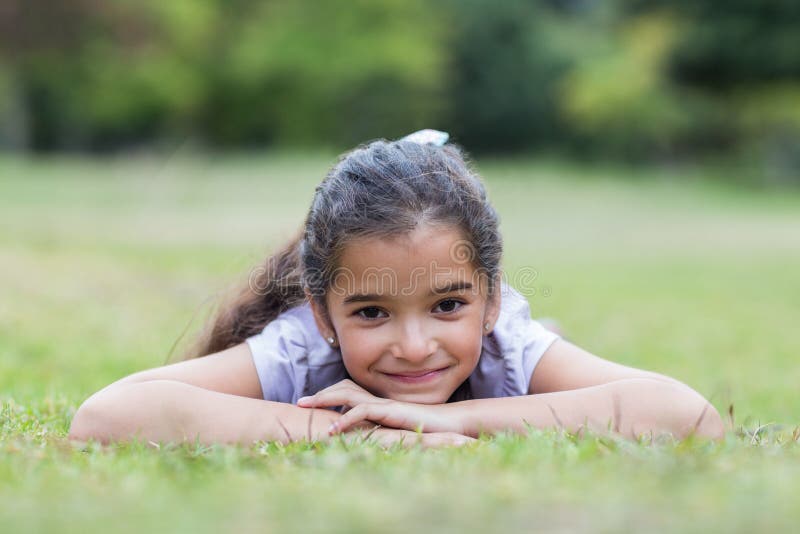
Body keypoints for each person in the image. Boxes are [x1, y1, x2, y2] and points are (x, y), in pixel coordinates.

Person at [68, 130, 724, 448]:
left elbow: (688, 416)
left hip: (509, 354)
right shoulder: (301, 348)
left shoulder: (504, 339)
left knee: (542, 349)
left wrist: (450, 417)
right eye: (372, 312)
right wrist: (373, 434)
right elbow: (102, 419)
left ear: (491, 300)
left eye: (447, 305)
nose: (414, 347)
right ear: (323, 315)